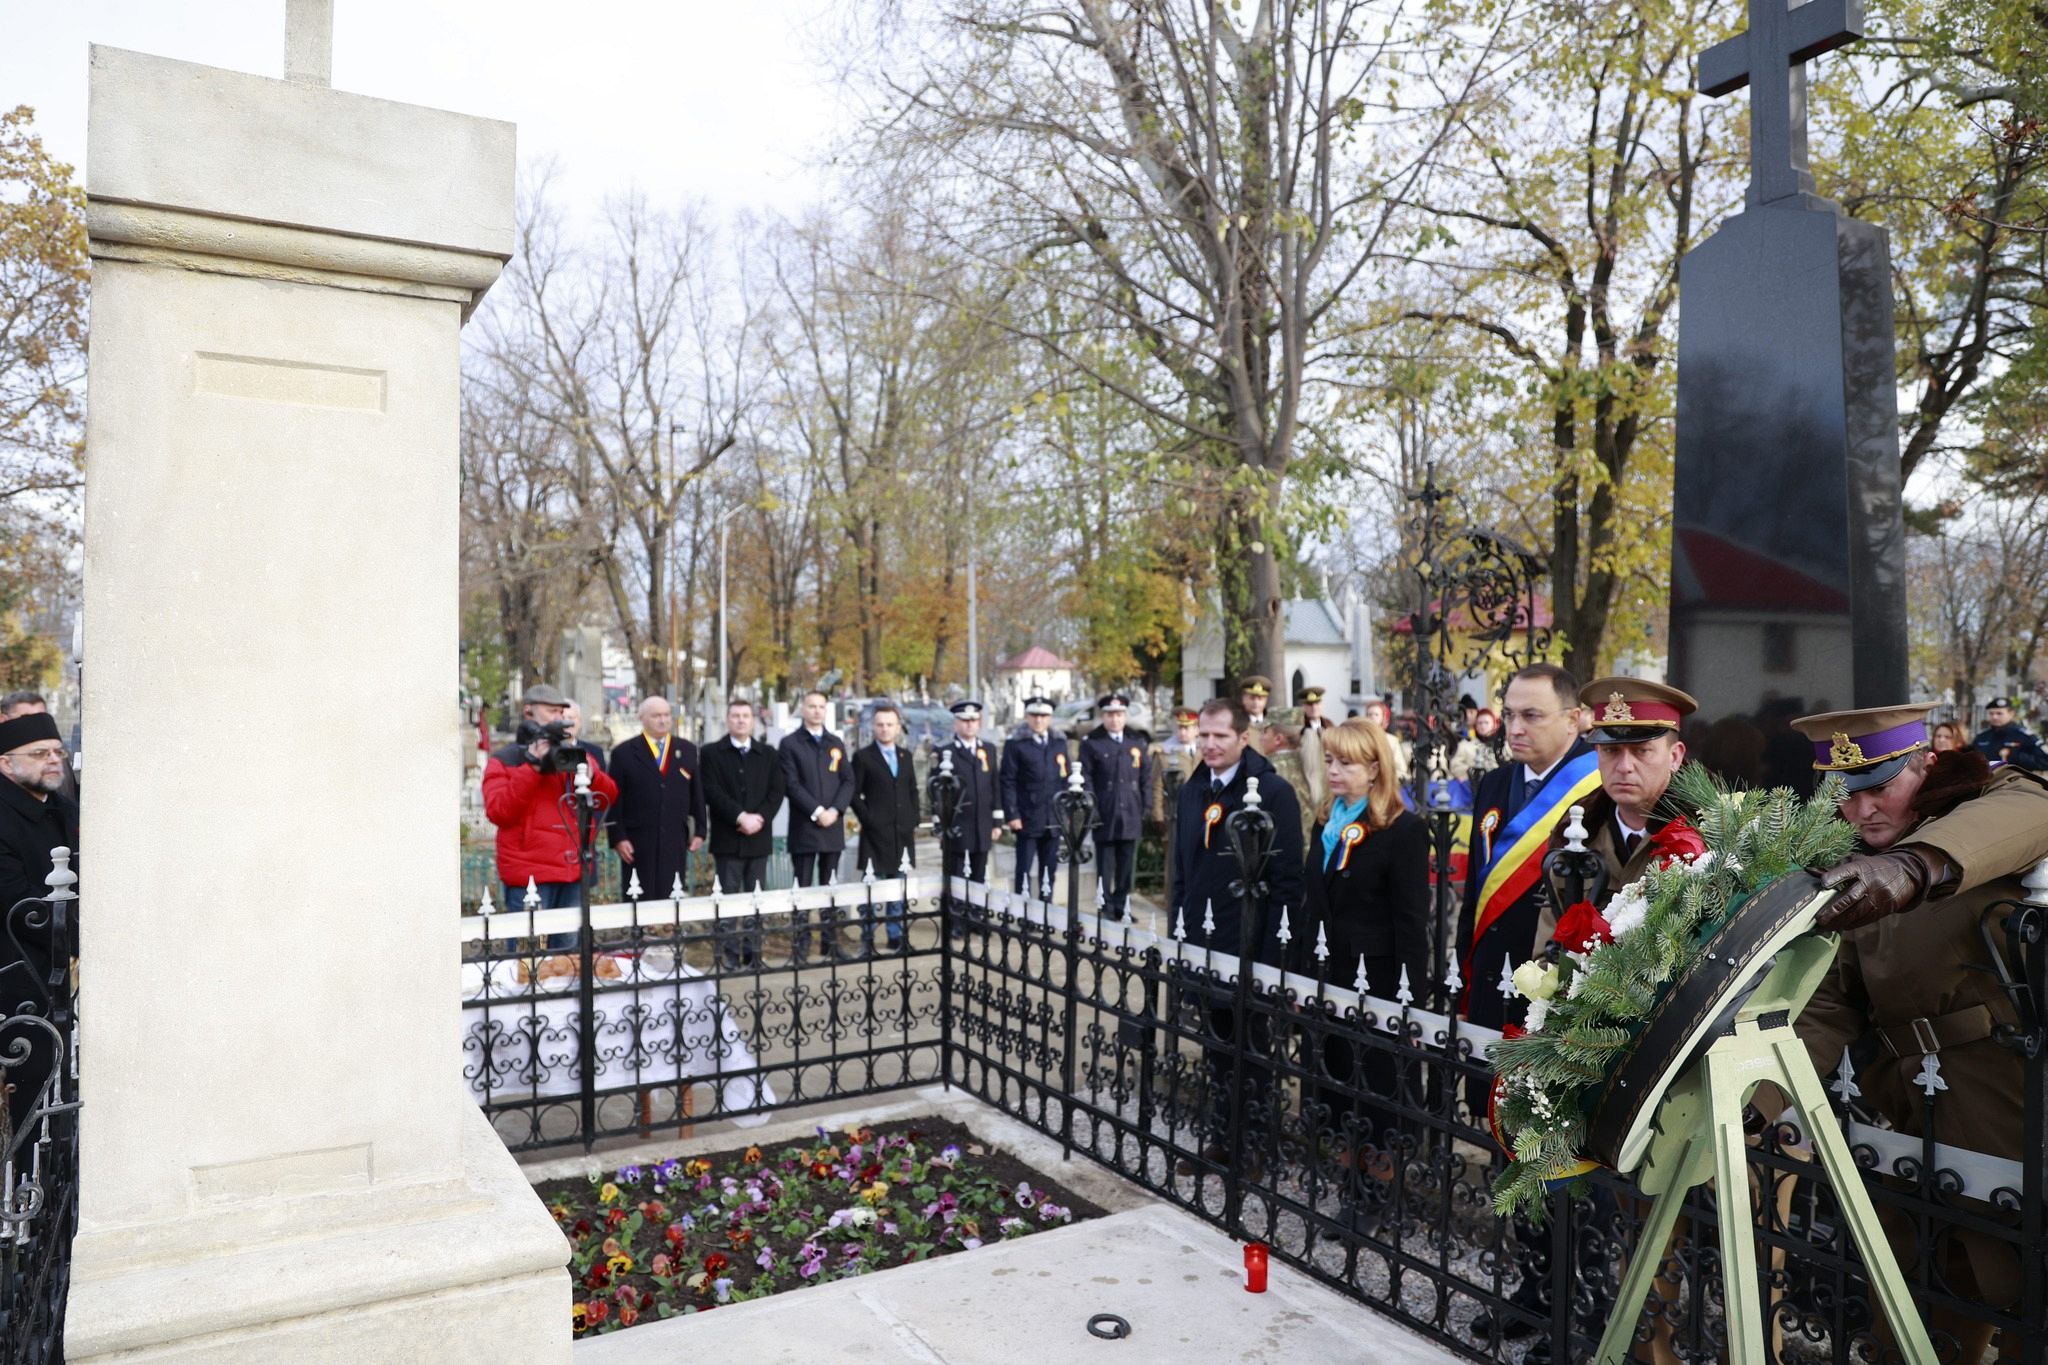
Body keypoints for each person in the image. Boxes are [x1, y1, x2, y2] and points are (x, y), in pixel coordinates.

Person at [1781, 702, 2048, 1361]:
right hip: (1908, 1119)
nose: (1864, 809)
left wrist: (1910, 867)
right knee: (1911, 1321)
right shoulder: (1850, 866)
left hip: (2008, 1110)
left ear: (1926, 762)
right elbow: (1829, 1003)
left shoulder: (1985, 799)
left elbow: (2036, 806)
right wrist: (1760, 1104)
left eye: (1882, 785)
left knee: (2028, 1313)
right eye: (1847, 795)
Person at [1298, 719, 1427, 1238]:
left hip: (1378, 982)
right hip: (1331, 979)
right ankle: (1351, 1182)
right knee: (1340, 1088)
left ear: (1375, 768)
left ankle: (1380, 1195)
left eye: (1346, 762)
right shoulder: (1327, 823)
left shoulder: (1403, 829)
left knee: (1378, 1093)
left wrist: (1410, 1003)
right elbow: (1314, 904)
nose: (1333, 771)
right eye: (1329, 761)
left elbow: (1411, 921)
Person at [1168, 698, 1306, 1178]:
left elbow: (1287, 881)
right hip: (1203, 942)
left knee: (1253, 1054)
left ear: (1243, 738)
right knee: (1217, 1051)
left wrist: (1272, 960)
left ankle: (1256, 1146)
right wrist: (1179, 940)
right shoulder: (1193, 791)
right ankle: (1224, 1139)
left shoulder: (1273, 792)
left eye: (1220, 736)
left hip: (1249, 945)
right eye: (1203, 735)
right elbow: (1181, 871)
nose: (1208, 744)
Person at [1456, 663, 1595, 1032]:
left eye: (1531, 716)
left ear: (1573, 719)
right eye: (1509, 715)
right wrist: (1464, 985)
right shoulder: (1493, 784)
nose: (1514, 728)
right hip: (1489, 982)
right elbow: (1475, 891)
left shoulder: (1596, 787)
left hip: (1550, 988)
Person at [1539, 679, 1697, 941]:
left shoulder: (1706, 833)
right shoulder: (1576, 833)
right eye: (1611, 750)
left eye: (1641, 751)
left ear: (1675, 757)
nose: (1624, 766)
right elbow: (1549, 950)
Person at [481, 683, 619, 943]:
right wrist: (532, 766)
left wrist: (592, 774)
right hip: (530, 876)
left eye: (561, 712)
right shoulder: (507, 759)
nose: (559, 718)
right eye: (551, 711)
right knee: (528, 961)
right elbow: (499, 811)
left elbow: (608, 798)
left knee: (566, 961)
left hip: (573, 871)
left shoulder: (577, 754)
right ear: (529, 712)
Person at [0, 710, 77, 1133]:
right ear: (5, 762)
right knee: (30, 1096)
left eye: (57, 752)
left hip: (56, 971)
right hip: (17, 974)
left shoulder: (62, 807)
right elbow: (18, 902)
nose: (53, 761)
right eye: (39, 753)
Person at [701, 698, 786, 965]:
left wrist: (759, 818)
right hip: (728, 838)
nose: (740, 720)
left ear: (753, 720)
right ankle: (727, 953)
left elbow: (776, 791)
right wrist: (739, 816)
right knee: (726, 898)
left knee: (755, 898)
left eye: (745, 716)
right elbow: (712, 791)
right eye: (735, 715)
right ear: (728, 719)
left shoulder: (768, 754)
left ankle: (753, 952)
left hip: (758, 838)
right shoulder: (711, 753)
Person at [605, 695, 705, 903]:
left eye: (667, 715)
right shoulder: (623, 753)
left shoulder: (686, 750)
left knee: (671, 892)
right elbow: (614, 799)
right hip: (638, 839)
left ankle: (668, 932)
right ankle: (640, 933)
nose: (663, 720)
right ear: (642, 718)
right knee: (639, 894)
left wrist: (701, 830)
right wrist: (618, 836)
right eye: (656, 715)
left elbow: (696, 793)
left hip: (674, 835)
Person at [780, 690, 856, 959]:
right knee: (802, 888)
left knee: (830, 888)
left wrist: (835, 810)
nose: (816, 711)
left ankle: (830, 943)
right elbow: (791, 784)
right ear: (803, 708)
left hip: (832, 826)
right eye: (811, 706)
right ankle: (801, 945)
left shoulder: (835, 742)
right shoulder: (790, 744)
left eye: (821, 707)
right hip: (805, 826)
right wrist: (816, 810)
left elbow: (848, 780)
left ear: (826, 710)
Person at [851, 702, 921, 949]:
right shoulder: (863, 757)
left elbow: (912, 790)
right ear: (874, 727)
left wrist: (914, 818)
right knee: (872, 888)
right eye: (880, 724)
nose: (884, 729)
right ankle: (868, 936)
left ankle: (896, 934)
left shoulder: (906, 756)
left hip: (901, 833)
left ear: (898, 727)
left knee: (898, 887)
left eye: (889, 724)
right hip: (875, 833)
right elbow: (853, 793)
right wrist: (868, 818)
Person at [1079, 694, 1150, 920]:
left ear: (1125, 716)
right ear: (1103, 716)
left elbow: (1145, 778)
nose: (1115, 719)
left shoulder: (1135, 741)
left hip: (1130, 809)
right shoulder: (1092, 742)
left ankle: (1123, 905)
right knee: (1105, 864)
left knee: (1126, 865)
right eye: (1110, 715)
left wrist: (1145, 805)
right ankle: (1106, 906)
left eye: (1119, 714)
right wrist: (1092, 806)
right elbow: (1086, 777)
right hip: (1105, 809)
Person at [999, 696, 1068, 902]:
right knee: (1024, 869)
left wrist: (1064, 813)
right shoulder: (1016, 743)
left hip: (1053, 817)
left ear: (1050, 718)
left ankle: (1046, 911)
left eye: (1044, 716)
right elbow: (1008, 780)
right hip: (1027, 816)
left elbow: (1064, 780)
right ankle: (1024, 911)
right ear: (1027, 716)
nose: (1039, 720)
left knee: (1050, 869)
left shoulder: (1059, 743)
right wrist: (1012, 813)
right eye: (1035, 715)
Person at [935, 700, 1001, 891]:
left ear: (979, 722)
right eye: (964, 720)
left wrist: (996, 822)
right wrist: (940, 825)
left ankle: (975, 918)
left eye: (973, 720)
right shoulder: (945, 751)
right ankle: (956, 920)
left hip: (982, 825)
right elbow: (937, 793)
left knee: (978, 880)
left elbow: (994, 785)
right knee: (957, 880)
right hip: (957, 826)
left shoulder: (988, 749)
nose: (969, 724)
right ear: (956, 723)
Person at [0, 692, 77, 804]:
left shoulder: (57, 753)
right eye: (27, 718)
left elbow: (69, 792)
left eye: (42, 717)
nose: (37, 724)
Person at [1970, 695, 2048, 771]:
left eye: (1999, 713)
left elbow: (2045, 761)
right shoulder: (1982, 737)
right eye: (1991, 713)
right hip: (1985, 782)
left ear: (2011, 714)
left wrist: (2014, 755)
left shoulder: (2024, 736)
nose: (1994, 717)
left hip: (2014, 781)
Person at [1294, 685, 1334, 815]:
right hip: (1308, 782)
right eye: (1309, 704)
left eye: (1317, 703)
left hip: (1329, 782)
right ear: (1304, 707)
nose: (1314, 708)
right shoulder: (1299, 730)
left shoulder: (1329, 726)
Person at [563, 700, 608, 773]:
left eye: (571, 718)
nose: (566, 723)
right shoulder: (543, 751)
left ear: (580, 722)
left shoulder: (595, 752)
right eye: (562, 718)